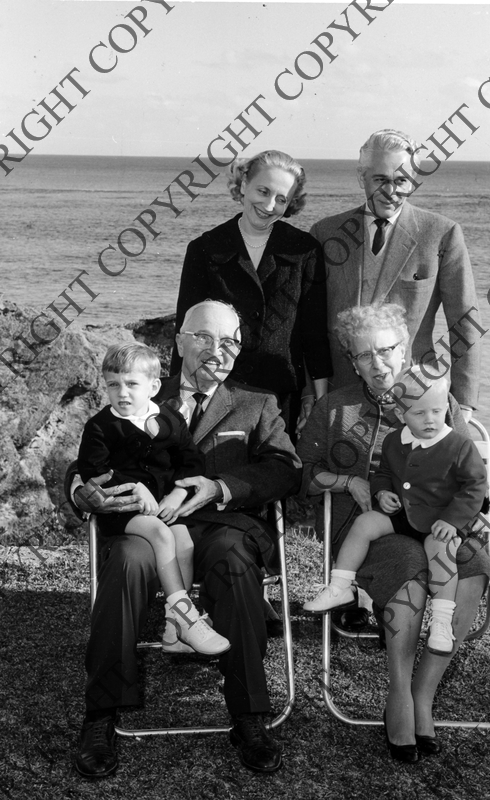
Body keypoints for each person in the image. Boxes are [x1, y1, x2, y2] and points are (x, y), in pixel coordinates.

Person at [73, 299, 301, 779]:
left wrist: (220, 487)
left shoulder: (257, 403)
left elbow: (285, 469)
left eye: (230, 341)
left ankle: (249, 714)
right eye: (204, 337)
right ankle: (101, 714)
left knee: (234, 561)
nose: (218, 350)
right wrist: (81, 490)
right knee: (127, 561)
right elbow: (87, 459)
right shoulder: (138, 386)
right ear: (179, 341)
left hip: (223, 524)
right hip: (148, 524)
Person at [297, 303, 490, 762]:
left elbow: (469, 471)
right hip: (366, 530)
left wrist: (456, 518)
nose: (378, 363)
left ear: (404, 349)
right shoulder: (336, 407)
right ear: (352, 361)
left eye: (386, 350)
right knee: (408, 564)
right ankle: (399, 695)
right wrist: (349, 481)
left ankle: (424, 694)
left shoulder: (435, 398)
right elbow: (301, 472)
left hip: (438, 522)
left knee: (475, 565)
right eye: (364, 355)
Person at [303, 366, 487, 657]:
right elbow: (384, 473)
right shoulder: (394, 441)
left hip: (441, 519)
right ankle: (340, 586)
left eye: (437, 411)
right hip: (405, 514)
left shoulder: (459, 445)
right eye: (419, 413)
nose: (430, 420)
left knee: (440, 551)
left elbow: (475, 486)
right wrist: (382, 492)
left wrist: (453, 521)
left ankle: (441, 622)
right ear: (401, 414)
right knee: (366, 523)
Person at [310, 129, 484, 420]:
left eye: (401, 180)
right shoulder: (325, 233)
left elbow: (464, 321)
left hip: (415, 398)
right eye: (380, 180)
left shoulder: (441, 234)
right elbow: (309, 325)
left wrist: (464, 403)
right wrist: (310, 394)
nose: (391, 192)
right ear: (362, 177)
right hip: (338, 398)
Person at [77, 342, 230, 657]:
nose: (122, 393)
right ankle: (187, 617)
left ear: (154, 387)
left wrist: (177, 493)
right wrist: (135, 488)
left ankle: (174, 631)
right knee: (162, 534)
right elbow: (94, 471)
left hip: (161, 506)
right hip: (122, 510)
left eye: (132, 384)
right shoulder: (100, 427)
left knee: (183, 541)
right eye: (113, 385)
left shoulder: (169, 419)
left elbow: (191, 460)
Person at [171, 149, 332, 438]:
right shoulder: (205, 248)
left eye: (281, 199)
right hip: (215, 392)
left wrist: (320, 400)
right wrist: (176, 400)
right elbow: (185, 330)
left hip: (281, 396)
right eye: (263, 191)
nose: (269, 205)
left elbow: (314, 333)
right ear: (244, 185)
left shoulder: (305, 250)